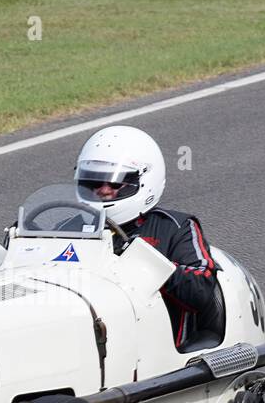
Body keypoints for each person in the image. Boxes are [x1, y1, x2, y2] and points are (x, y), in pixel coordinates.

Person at [74, 126, 223, 351]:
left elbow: (202, 290)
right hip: (82, 330)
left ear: (144, 181)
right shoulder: (69, 228)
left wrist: (144, 261)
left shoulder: (175, 227)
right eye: (94, 182)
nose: (104, 190)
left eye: (116, 183)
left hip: (153, 350)